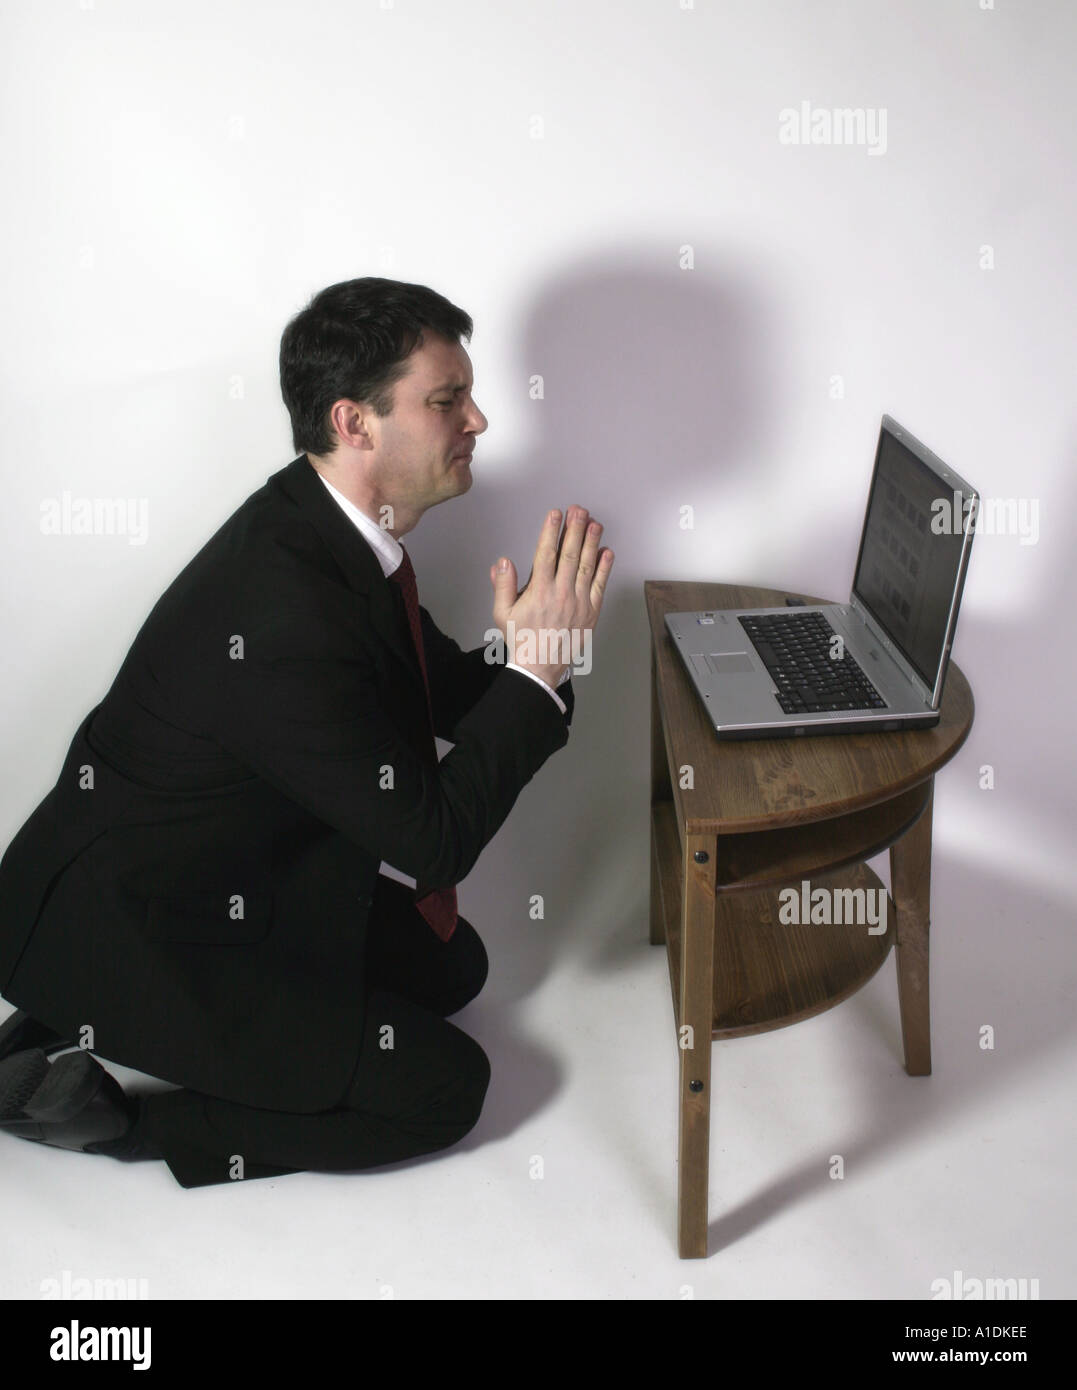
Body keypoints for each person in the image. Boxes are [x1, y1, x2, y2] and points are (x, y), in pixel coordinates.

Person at [0, 277, 613, 1188]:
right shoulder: (281, 615)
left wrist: (545, 653)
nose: (478, 420)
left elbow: (439, 691)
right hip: (152, 926)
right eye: (447, 400)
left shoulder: (330, 530)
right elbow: (434, 838)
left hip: (237, 876)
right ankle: (117, 1117)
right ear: (354, 423)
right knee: (443, 1089)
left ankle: (68, 1016)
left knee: (455, 970)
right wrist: (532, 675)